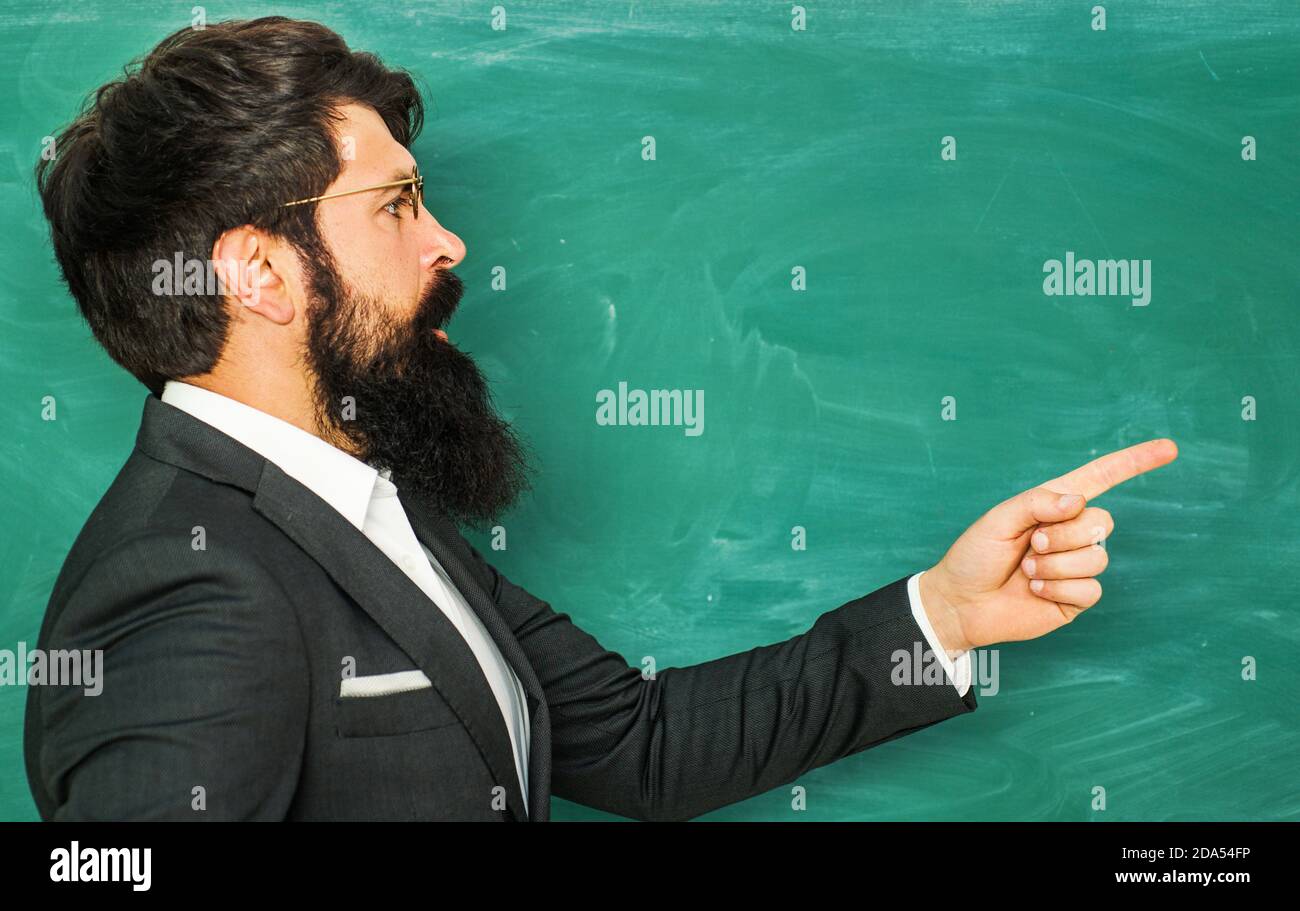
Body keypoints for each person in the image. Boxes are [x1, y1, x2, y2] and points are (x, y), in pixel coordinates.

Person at [24, 16, 1177, 821]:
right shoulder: (189, 581)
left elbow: (638, 743)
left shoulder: (360, 511)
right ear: (260, 274)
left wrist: (951, 611)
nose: (447, 242)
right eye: (396, 205)